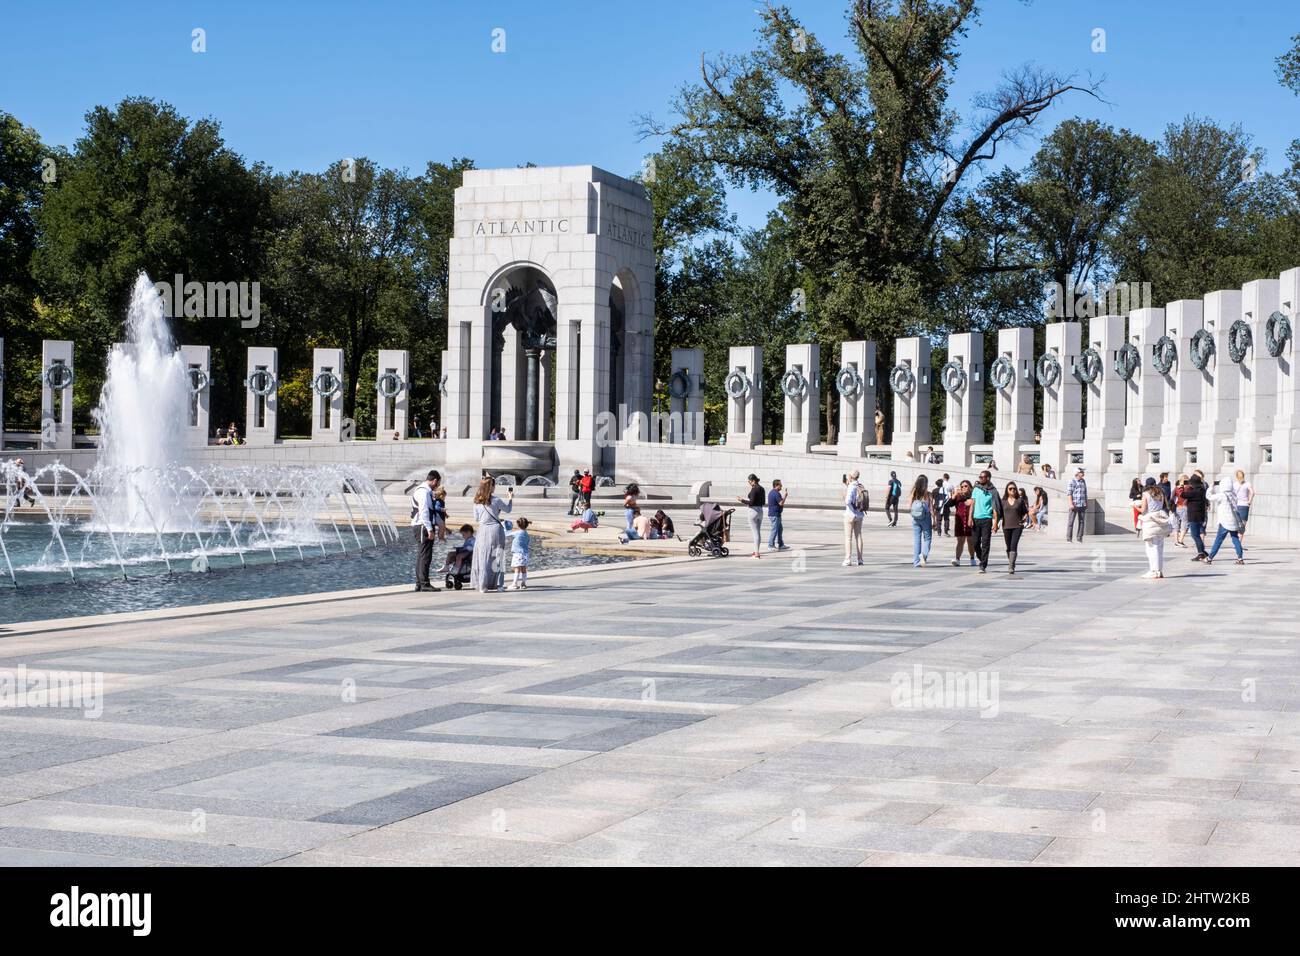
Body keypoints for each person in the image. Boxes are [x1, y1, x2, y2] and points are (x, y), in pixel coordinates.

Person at [470, 475, 513, 592]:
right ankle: (499, 585)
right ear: (491, 487)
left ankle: (482, 586)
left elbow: (477, 519)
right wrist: (510, 498)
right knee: (498, 557)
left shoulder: (476, 502)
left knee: (483, 557)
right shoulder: (496, 500)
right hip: (496, 531)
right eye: (494, 485)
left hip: (483, 531)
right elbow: (508, 510)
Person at [410, 469, 441, 592]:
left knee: (422, 554)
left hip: (420, 525)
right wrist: (430, 529)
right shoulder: (423, 492)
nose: (438, 486)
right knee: (425, 555)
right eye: (438, 483)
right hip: (423, 526)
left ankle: (419, 583)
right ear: (434, 480)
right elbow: (424, 511)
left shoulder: (423, 490)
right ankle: (424, 583)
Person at [970, 470, 1003, 574]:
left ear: (988, 478)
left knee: (985, 543)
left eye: (982, 477)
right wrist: (970, 518)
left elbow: (995, 508)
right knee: (975, 543)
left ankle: (983, 565)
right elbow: (972, 504)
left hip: (987, 519)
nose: (980, 479)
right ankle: (982, 559)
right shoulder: (976, 489)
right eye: (979, 477)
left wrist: (995, 523)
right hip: (976, 519)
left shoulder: (992, 491)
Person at [1137, 478, 1171, 579]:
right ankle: (1159, 571)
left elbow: (1143, 509)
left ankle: (1154, 571)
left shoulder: (1146, 494)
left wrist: (1134, 507)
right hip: (1160, 521)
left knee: (1151, 548)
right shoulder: (1161, 492)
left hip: (1150, 521)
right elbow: (1164, 505)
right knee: (1159, 548)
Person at [1205, 480, 1245, 565]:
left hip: (1224, 522)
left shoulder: (1222, 495)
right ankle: (1240, 558)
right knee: (1235, 539)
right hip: (1233, 522)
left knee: (1218, 540)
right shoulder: (1233, 495)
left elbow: (1209, 496)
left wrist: (1211, 487)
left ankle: (1209, 558)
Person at [946, 479, 976, 567]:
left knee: (970, 541)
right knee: (960, 541)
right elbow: (948, 505)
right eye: (962, 486)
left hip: (970, 521)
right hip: (960, 521)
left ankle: (972, 558)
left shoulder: (973, 497)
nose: (963, 488)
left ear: (970, 487)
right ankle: (957, 559)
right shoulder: (958, 497)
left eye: (966, 486)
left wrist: (972, 502)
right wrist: (954, 495)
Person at [1002, 481, 1030, 574]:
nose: (1012, 490)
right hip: (1006, 526)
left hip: (1017, 526)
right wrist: (995, 524)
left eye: (1014, 489)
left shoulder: (1020, 500)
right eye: (1010, 489)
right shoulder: (1003, 501)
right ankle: (1011, 562)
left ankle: (1011, 566)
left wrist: (1024, 520)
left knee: (1013, 545)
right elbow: (998, 514)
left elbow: (1026, 512)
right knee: (1008, 547)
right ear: (1007, 490)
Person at [735, 474, 765, 558]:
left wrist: (742, 500)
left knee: (755, 533)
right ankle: (756, 551)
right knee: (758, 532)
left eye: (749, 481)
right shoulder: (762, 488)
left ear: (753, 481)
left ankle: (756, 553)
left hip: (753, 511)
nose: (749, 483)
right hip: (760, 510)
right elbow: (763, 502)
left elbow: (751, 502)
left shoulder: (754, 489)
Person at [1182, 474, 1209, 560]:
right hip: (1200, 515)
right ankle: (1202, 551)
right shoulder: (1202, 490)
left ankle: (1201, 553)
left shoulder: (1194, 492)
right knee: (1197, 534)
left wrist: (1182, 486)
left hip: (1194, 516)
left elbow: (1183, 495)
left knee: (1195, 535)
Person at [908, 475, 933, 568]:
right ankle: (924, 555)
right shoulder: (928, 494)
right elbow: (931, 509)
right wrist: (934, 520)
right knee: (928, 538)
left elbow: (909, 506)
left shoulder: (913, 493)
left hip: (915, 518)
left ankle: (916, 561)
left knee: (917, 539)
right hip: (926, 517)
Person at [843, 470, 866, 566]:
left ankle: (848, 559)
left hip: (850, 514)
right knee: (859, 536)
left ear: (851, 477)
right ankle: (860, 559)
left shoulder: (851, 487)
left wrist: (852, 509)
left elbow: (848, 501)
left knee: (848, 538)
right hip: (860, 515)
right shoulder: (860, 486)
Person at [506, 516, 532, 590]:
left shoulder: (517, 533)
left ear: (518, 525)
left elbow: (507, 534)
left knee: (516, 569)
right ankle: (523, 584)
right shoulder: (527, 534)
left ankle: (514, 584)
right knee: (523, 569)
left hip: (517, 554)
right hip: (525, 554)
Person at [1231, 470, 1254, 546]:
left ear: (1236, 477)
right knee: (1242, 526)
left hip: (1236, 505)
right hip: (1244, 505)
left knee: (1236, 525)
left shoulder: (1234, 484)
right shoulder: (1247, 484)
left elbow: (1232, 495)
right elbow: (1253, 492)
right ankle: (1239, 544)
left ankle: (1236, 544)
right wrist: (1249, 501)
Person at [1067, 468, 1088, 542]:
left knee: (1082, 521)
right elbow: (1069, 493)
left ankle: (1079, 538)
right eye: (1081, 472)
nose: (1083, 473)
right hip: (1074, 504)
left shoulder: (1083, 481)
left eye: (1083, 472)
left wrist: (1086, 503)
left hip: (1082, 504)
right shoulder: (1072, 481)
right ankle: (1069, 539)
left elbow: (1085, 493)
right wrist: (1070, 504)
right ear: (1077, 473)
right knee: (1071, 522)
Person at [767, 479, 789, 551]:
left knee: (780, 529)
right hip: (775, 514)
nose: (781, 486)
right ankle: (770, 545)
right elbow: (781, 503)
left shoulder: (772, 492)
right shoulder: (776, 493)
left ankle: (781, 544)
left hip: (776, 514)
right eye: (780, 485)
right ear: (776, 485)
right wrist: (785, 496)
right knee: (775, 530)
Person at [1171, 475, 1189, 548]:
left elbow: (1172, 497)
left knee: (1176, 524)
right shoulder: (1187, 488)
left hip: (1176, 507)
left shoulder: (1176, 487)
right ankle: (1180, 541)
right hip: (1184, 507)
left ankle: (1176, 541)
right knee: (1184, 524)